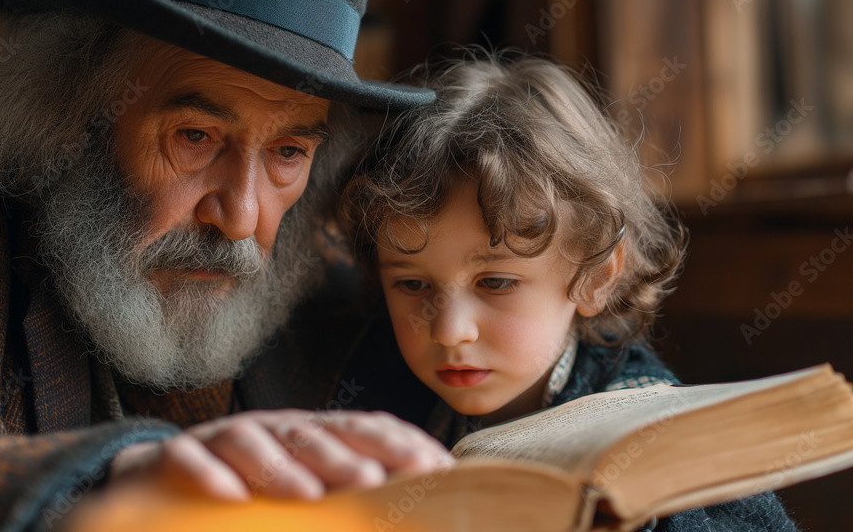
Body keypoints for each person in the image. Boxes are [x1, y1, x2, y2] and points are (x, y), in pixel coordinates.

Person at [0, 0, 452, 530]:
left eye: (288, 152)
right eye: (195, 137)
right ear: (70, 111)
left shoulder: (354, 295)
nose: (241, 218)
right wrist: (110, 476)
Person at [337, 55, 798, 530]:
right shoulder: (368, 388)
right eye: (412, 284)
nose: (450, 331)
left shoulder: (663, 444)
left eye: (495, 282)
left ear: (596, 277)